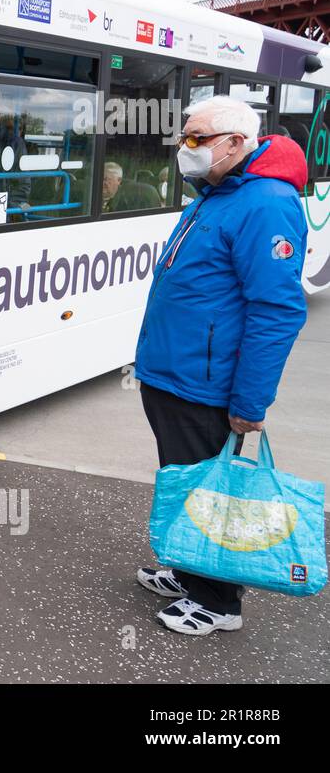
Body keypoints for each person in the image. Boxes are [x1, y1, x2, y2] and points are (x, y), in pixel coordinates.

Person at [134, 94, 308, 636]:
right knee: (183, 479)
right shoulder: (218, 192)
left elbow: (276, 311)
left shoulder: (267, 204)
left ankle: (218, 602)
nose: (185, 149)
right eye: (184, 138)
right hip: (174, 373)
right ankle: (190, 569)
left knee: (209, 488)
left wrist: (250, 402)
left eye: (196, 139)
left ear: (236, 143)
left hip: (207, 383)